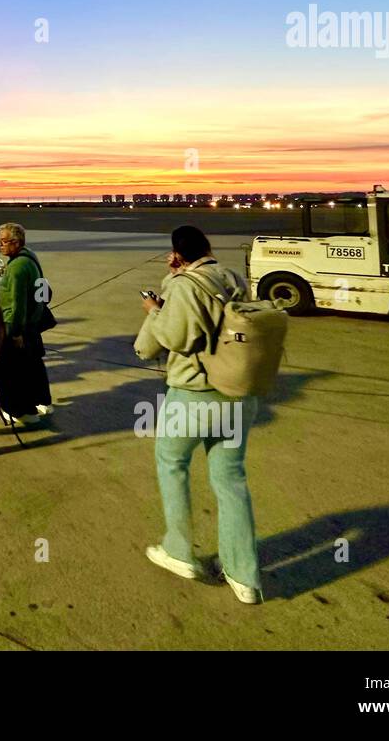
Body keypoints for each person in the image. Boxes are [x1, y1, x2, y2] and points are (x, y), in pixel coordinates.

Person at [136, 224, 262, 605]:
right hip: (238, 394)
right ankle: (245, 575)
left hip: (196, 394)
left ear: (177, 253)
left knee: (171, 463)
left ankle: (179, 549)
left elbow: (175, 338)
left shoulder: (183, 286)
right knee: (231, 480)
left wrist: (156, 308)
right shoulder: (233, 277)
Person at [0, 222, 54, 423]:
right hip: (32, 323)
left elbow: (17, 305)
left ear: (16, 243)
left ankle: (17, 411)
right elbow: (41, 290)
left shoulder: (17, 268)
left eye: (4, 241)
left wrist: (16, 333)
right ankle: (43, 401)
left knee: (12, 372)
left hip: (17, 325)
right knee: (33, 364)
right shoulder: (29, 257)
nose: (0, 245)